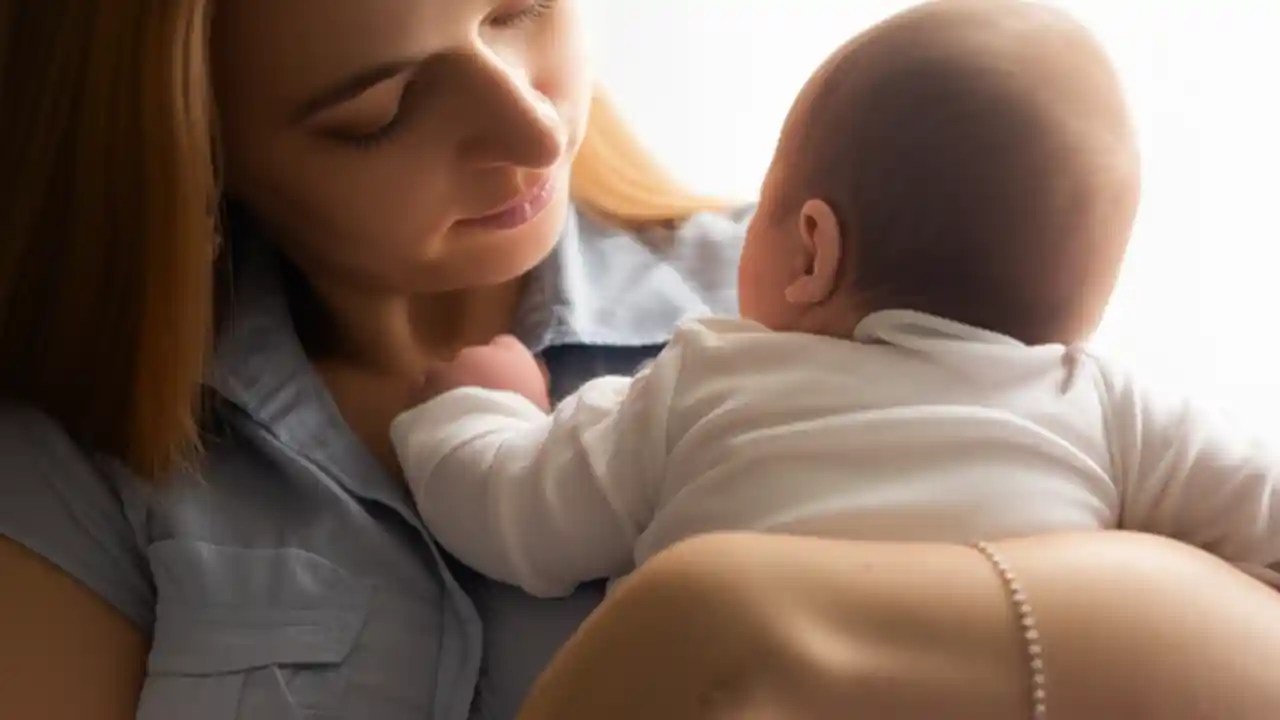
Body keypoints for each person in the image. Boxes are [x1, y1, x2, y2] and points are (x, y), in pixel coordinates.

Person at [2, 1, 1279, 720]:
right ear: (194, 153)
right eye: (379, 112)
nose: (531, 121)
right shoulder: (81, 459)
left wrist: (743, 624)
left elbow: (522, 504)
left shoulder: (734, 340)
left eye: (520, 9)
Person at [390, 0, 1280, 602]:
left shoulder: (708, 381)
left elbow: (518, 517)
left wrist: (479, 408)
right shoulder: (1110, 413)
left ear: (812, 248)